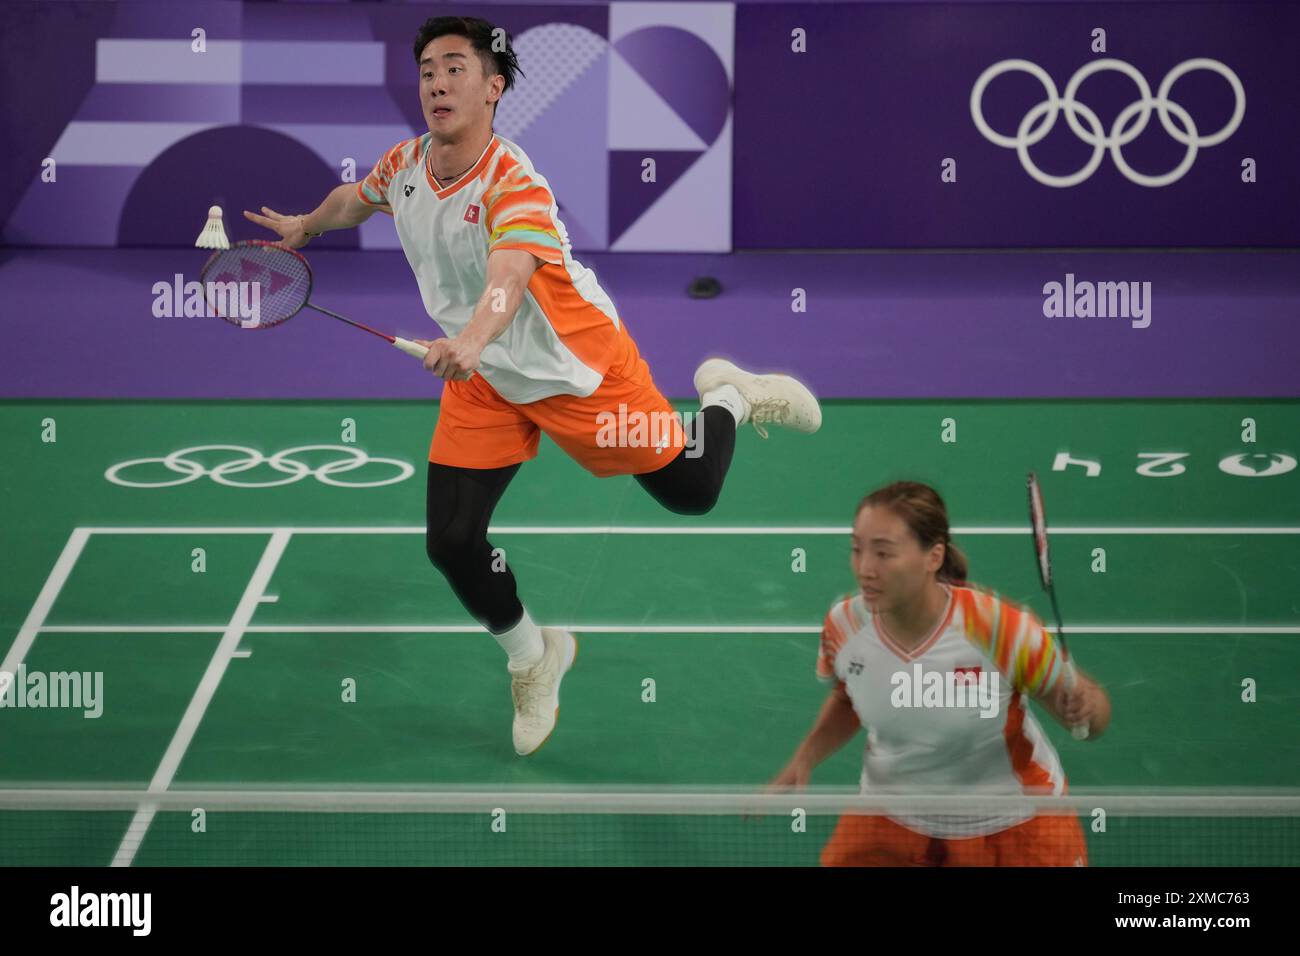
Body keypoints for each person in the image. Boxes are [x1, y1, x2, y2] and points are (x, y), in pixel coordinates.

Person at [244, 16, 820, 756]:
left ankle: (729, 397)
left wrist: (471, 341)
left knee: (692, 491)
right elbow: (355, 197)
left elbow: (508, 279)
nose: (437, 83)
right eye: (426, 70)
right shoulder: (406, 166)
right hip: (484, 378)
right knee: (452, 541)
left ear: (493, 87)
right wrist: (306, 225)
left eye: (455, 68)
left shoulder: (517, 185)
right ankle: (533, 657)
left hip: (574, 371)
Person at [770, 481, 1111, 866]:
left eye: (884, 553)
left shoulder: (999, 630)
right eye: (857, 549)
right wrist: (806, 757)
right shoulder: (845, 626)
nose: (865, 569)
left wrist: (1087, 711)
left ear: (933, 557)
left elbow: (1092, 717)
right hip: (894, 817)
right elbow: (849, 696)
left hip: (1012, 823)